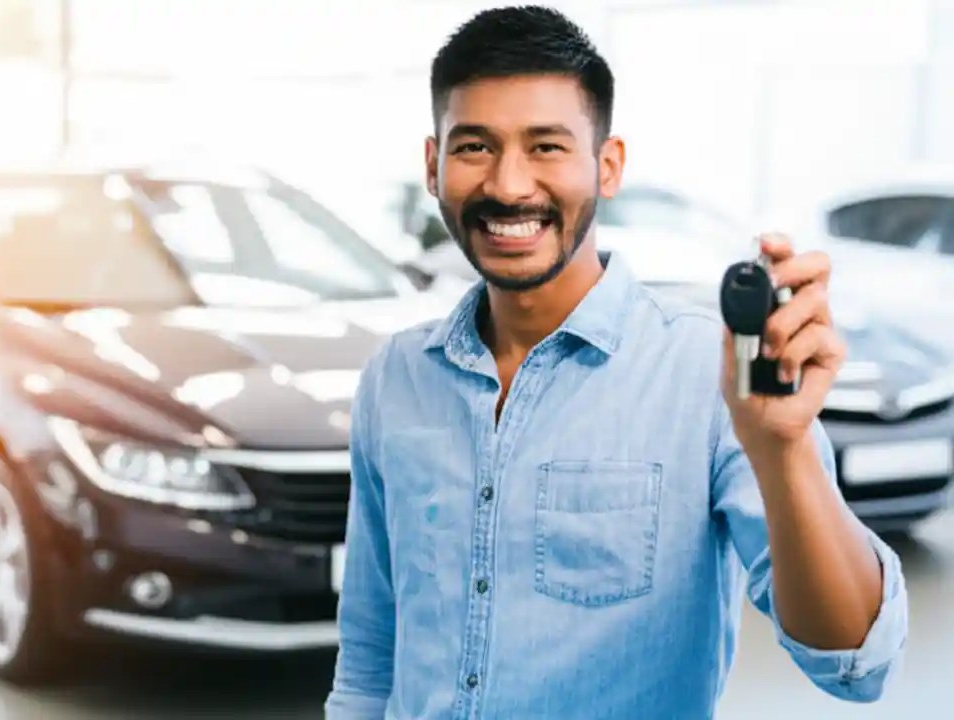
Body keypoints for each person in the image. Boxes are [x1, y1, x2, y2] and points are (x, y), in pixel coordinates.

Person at [325, 6, 908, 719]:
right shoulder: (396, 378)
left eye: (546, 147)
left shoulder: (703, 375)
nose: (509, 185)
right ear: (433, 164)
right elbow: (368, 658)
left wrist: (783, 450)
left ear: (607, 166)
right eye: (475, 146)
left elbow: (855, 661)